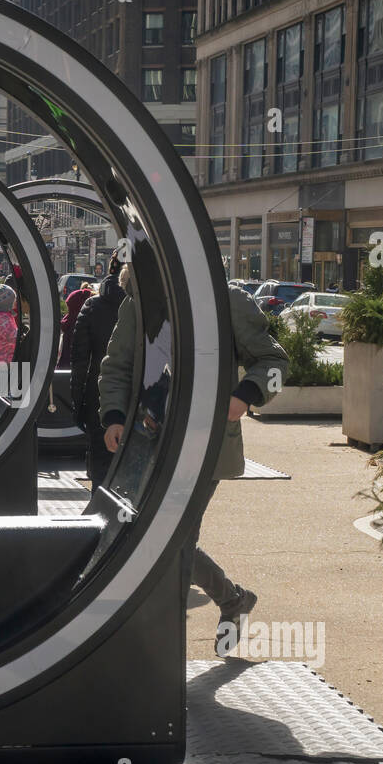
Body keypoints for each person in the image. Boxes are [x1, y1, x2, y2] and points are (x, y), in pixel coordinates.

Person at [98, 280, 289, 652]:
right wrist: (114, 415)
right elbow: (117, 365)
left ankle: (163, 651)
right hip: (146, 442)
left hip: (205, 445)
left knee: (175, 539)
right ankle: (232, 600)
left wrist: (245, 396)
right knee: (149, 533)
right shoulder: (139, 304)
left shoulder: (228, 301)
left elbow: (275, 361)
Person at [70, 260, 125, 484]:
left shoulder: (93, 306)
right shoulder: (145, 307)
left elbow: (79, 359)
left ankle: (99, 511)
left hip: (98, 394)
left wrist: (77, 402)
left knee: (101, 467)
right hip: (137, 396)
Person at [58, 286, 92, 368]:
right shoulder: (88, 326)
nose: (67, 313)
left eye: (69, 308)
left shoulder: (73, 327)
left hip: (69, 372)